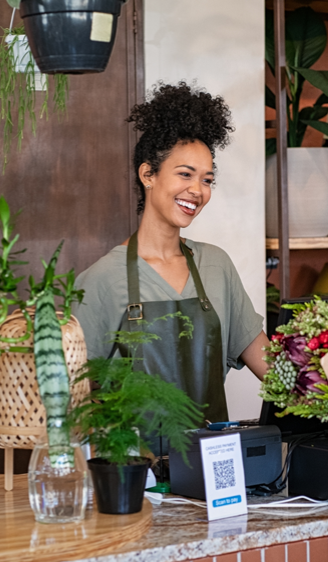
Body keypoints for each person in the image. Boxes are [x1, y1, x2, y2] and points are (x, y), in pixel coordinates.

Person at [73, 82, 268, 429]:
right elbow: (75, 400)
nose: (197, 190)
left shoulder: (215, 266)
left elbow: (268, 364)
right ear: (148, 174)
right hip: (134, 472)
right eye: (185, 175)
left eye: (207, 179)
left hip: (212, 464)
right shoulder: (101, 280)